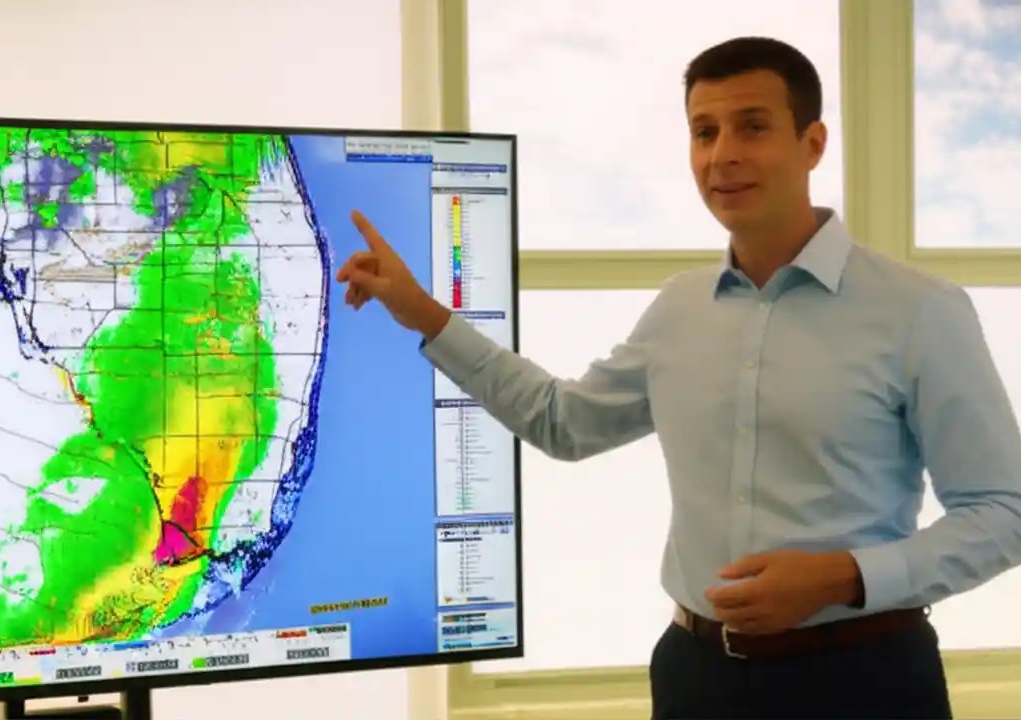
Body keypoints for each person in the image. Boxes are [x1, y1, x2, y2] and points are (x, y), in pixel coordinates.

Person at [336, 36, 1021, 719]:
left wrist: (846, 576)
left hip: (865, 681)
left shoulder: (920, 310)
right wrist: (424, 313)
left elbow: (1004, 512)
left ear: (813, 143)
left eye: (753, 126)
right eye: (704, 131)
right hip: (698, 678)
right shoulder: (678, 310)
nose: (723, 154)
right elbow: (562, 423)